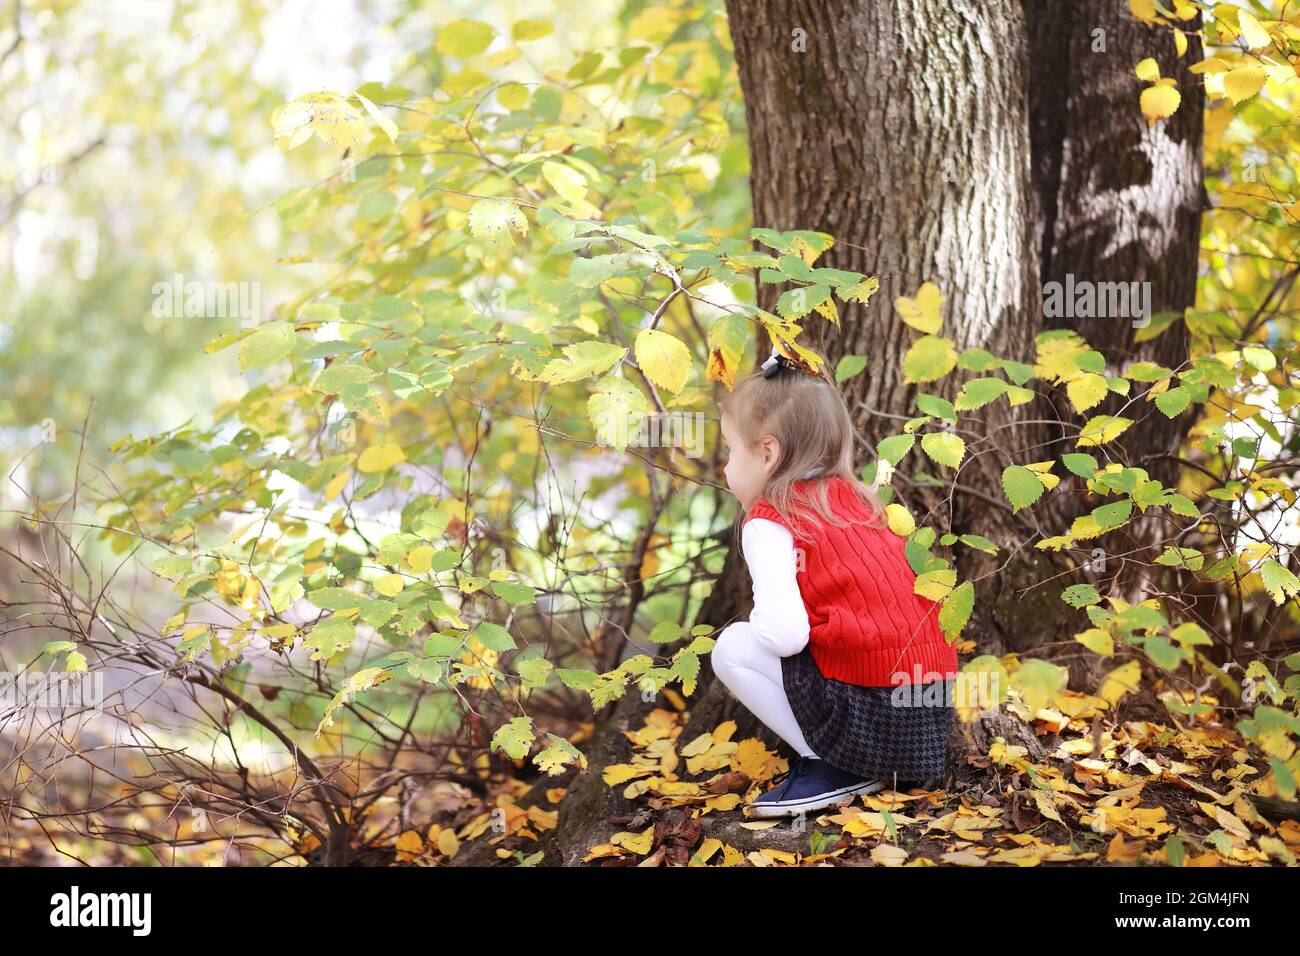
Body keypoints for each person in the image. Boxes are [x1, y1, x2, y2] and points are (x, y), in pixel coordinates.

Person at [712, 344, 959, 818]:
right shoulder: (862, 501)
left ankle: (832, 766)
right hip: (928, 719)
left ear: (768, 452)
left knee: (733, 647)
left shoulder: (770, 520)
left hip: (871, 723)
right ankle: (869, 763)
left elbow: (785, 637)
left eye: (729, 450)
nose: (725, 467)